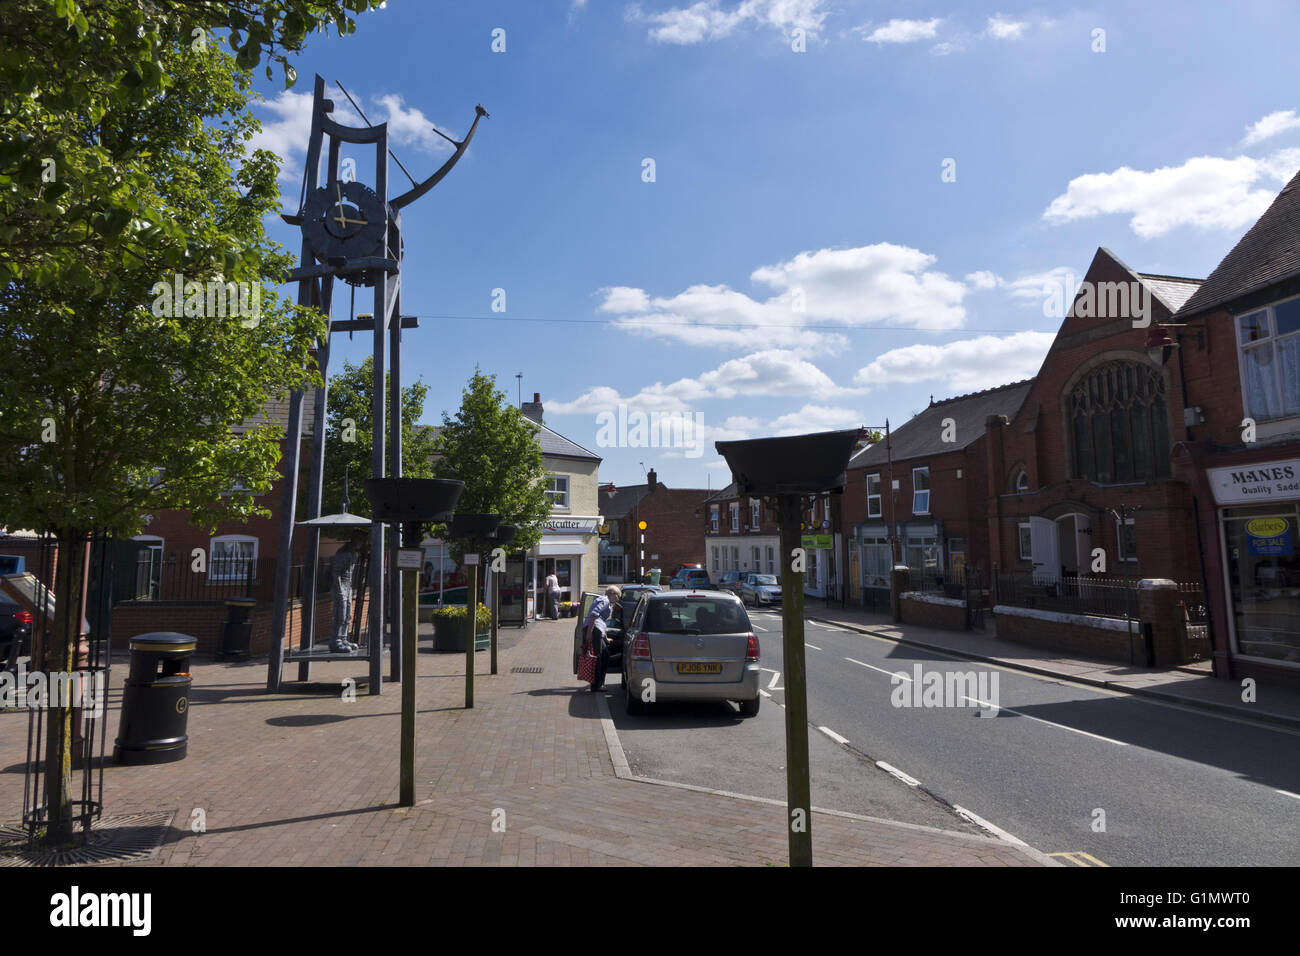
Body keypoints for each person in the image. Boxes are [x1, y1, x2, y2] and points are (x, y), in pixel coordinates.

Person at [582, 585, 621, 691]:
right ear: (612, 593)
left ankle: (598, 683)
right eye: (618, 596)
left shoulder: (605, 601)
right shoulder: (605, 600)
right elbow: (594, 615)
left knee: (605, 655)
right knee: (598, 657)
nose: (618, 599)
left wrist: (605, 638)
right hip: (594, 630)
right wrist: (589, 633)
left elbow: (601, 622)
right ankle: (596, 685)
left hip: (597, 630)